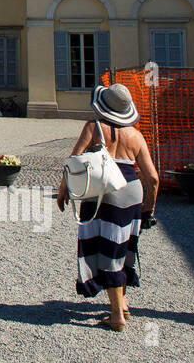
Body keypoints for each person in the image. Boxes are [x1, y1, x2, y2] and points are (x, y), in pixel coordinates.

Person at [56, 84, 159, 332]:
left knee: (107, 249)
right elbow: (153, 178)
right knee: (123, 246)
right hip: (132, 192)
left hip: (104, 191)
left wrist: (63, 191)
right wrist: (149, 208)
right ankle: (122, 304)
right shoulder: (136, 135)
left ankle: (116, 316)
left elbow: (73, 161)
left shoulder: (94, 126)